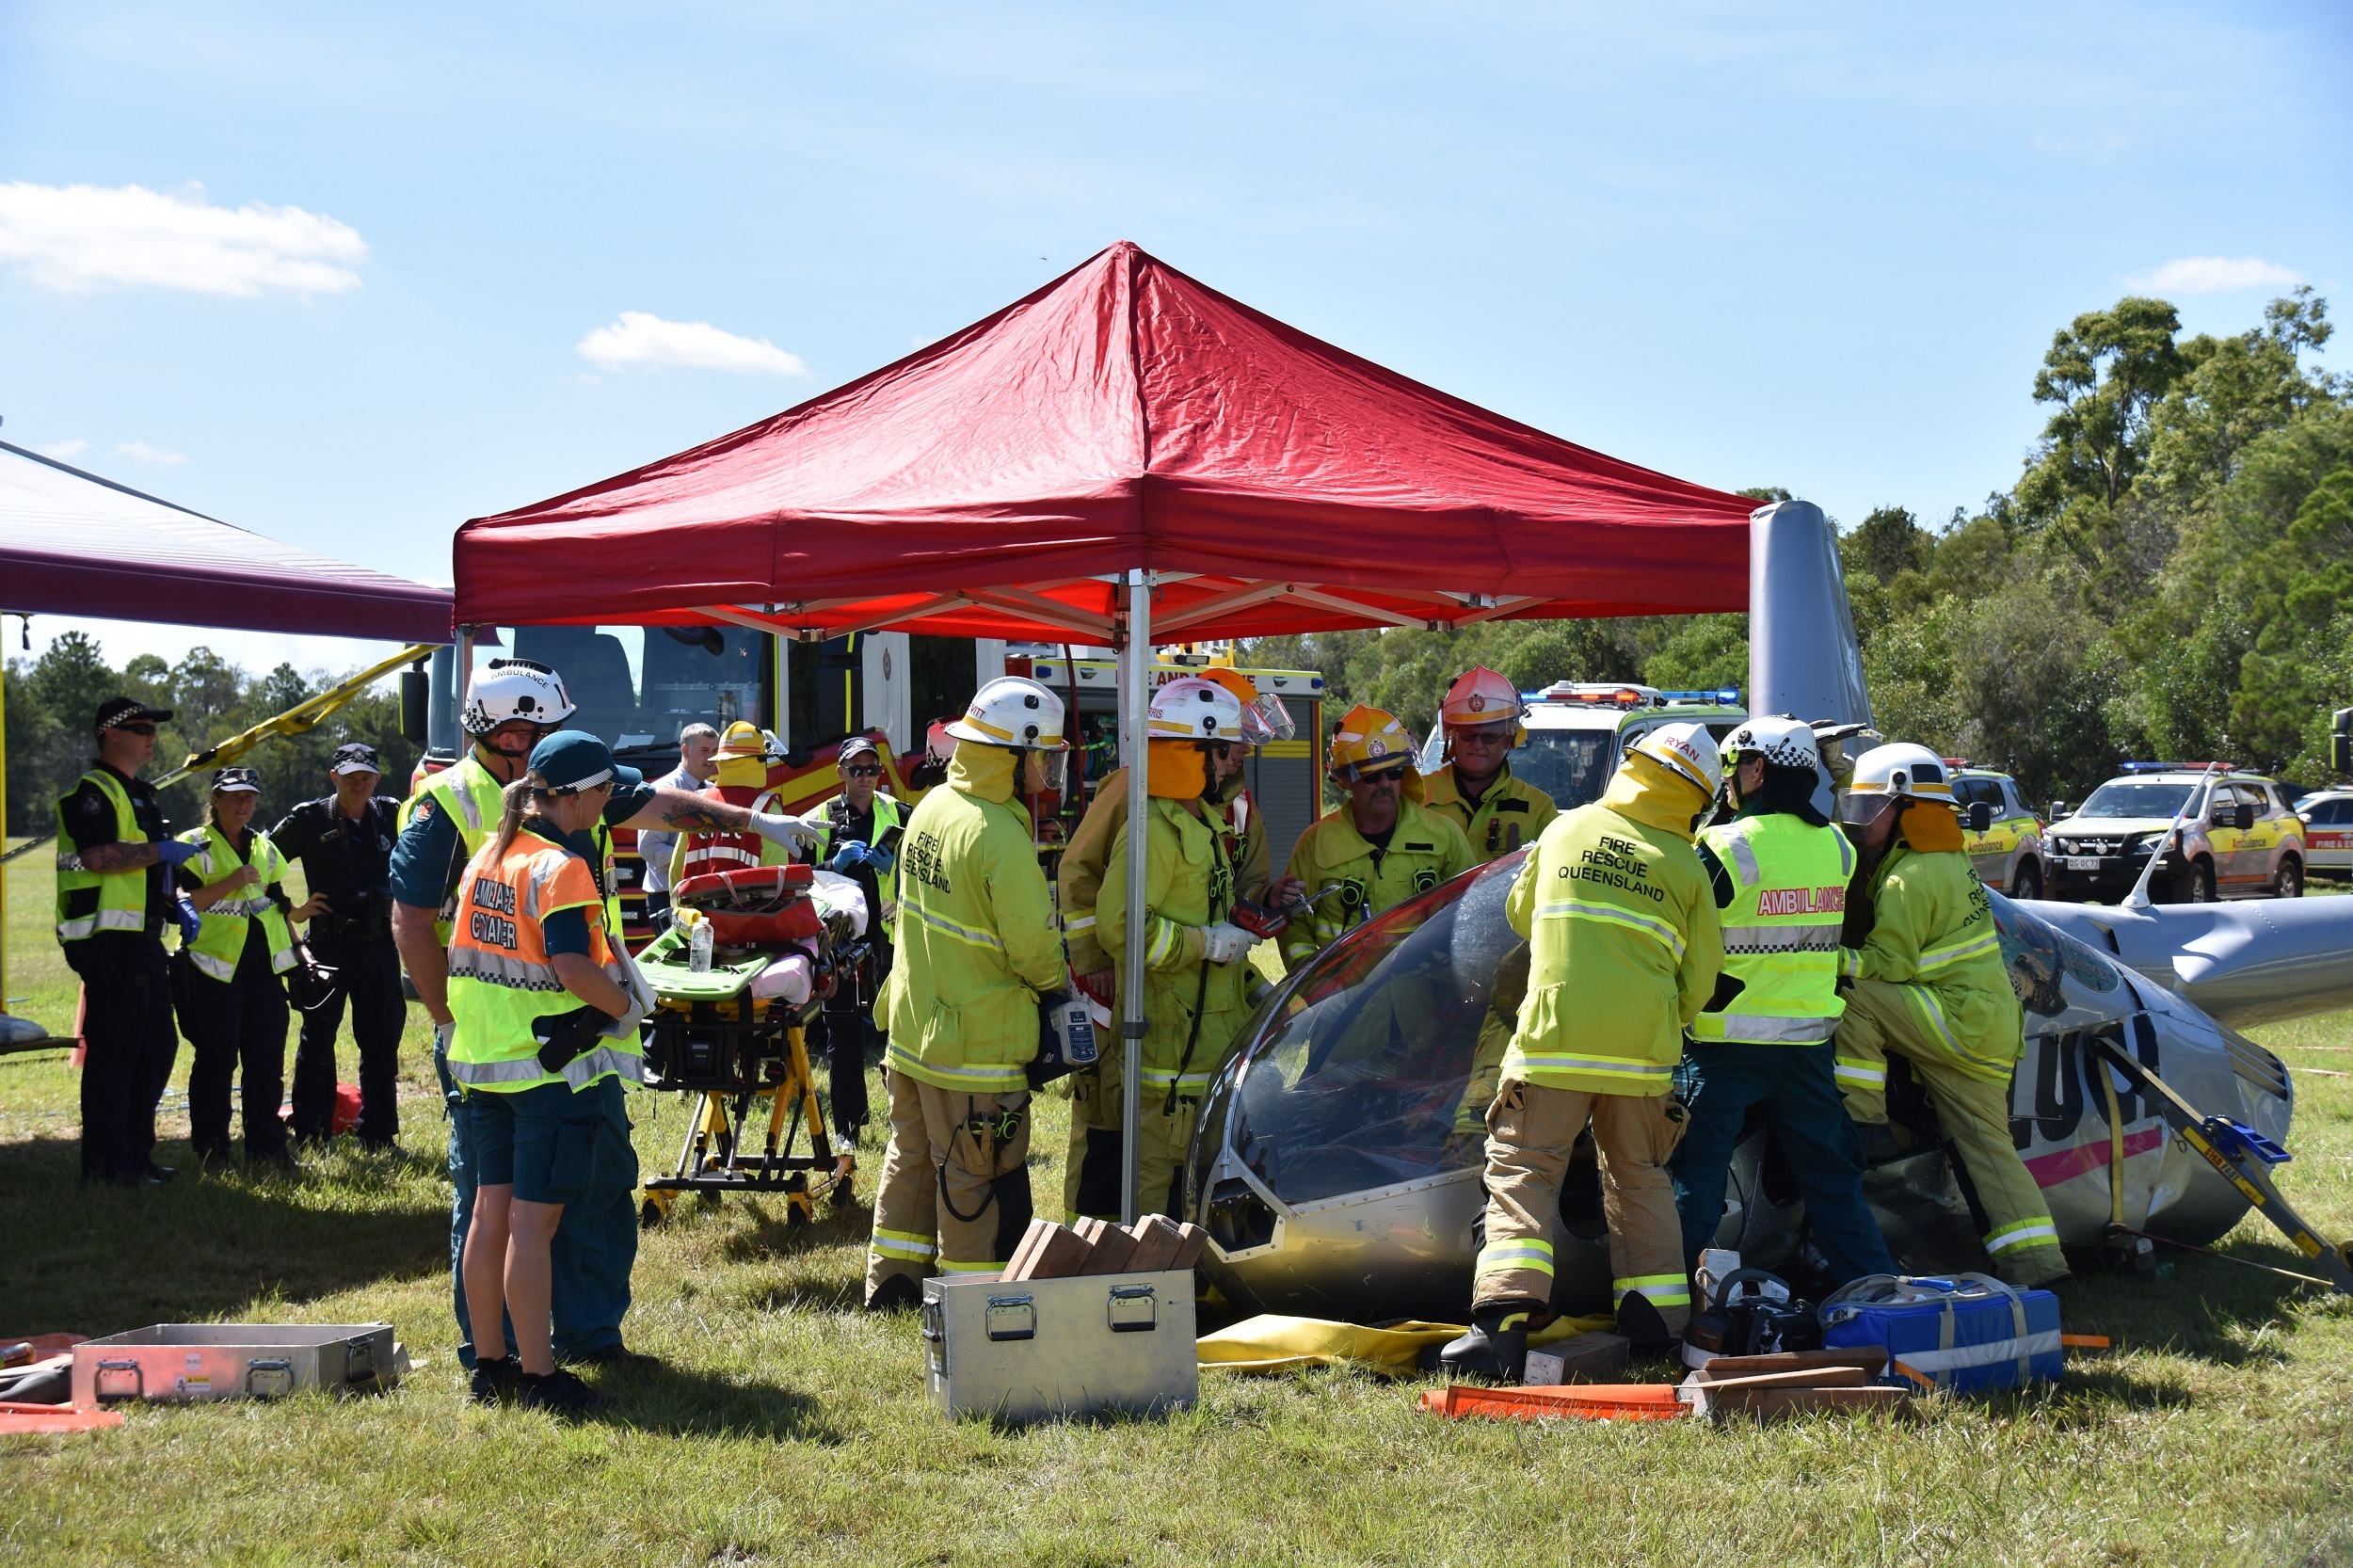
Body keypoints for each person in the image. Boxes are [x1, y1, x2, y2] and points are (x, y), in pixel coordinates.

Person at [391, 659, 820, 1368]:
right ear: (501, 735)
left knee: (590, 1184)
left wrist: (756, 823)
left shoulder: (562, 786)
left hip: (575, 1036)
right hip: (503, 1041)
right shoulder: (450, 804)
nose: (552, 741)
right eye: (540, 730)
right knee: (495, 1206)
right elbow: (410, 924)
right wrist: (445, 1024)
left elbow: (657, 805)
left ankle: (583, 1338)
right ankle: (497, 1349)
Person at [1441, 724, 1725, 1381]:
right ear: (1697, 798)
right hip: (1643, 1056)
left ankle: (1501, 1328)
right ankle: (1657, 1327)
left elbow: (1517, 913)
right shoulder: (1685, 863)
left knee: (1525, 1168)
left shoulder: (1567, 829)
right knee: (1640, 1177)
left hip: (1555, 1042)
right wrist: (1660, 1021)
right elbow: (1702, 979)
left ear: (1632, 766)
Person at [446, 730, 655, 1415]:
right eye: (604, 790)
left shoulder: (490, 855)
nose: (608, 802)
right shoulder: (560, 867)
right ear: (573, 796)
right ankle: (539, 1377)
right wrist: (628, 1007)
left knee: (489, 1217)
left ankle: (490, 1367)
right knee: (533, 1228)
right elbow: (570, 965)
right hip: (545, 1073)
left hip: (483, 1067)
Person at [1057, 667, 1299, 1222]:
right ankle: (1096, 1244)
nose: (1241, 754)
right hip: (1130, 995)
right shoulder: (1143, 804)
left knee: (1176, 1150)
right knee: (1114, 1132)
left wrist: (1261, 909)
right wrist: (1098, 965)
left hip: (1190, 1010)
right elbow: (1088, 882)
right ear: (1200, 746)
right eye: (1231, 743)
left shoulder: (1218, 809)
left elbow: (1226, 893)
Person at [863, 677, 1069, 1310]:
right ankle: (970, 1303)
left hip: (913, 1030)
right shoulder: (1001, 836)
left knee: (912, 1155)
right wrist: (1059, 991)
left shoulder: (932, 808)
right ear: (1012, 754)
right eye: (1045, 755)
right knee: (975, 1173)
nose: (1049, 769)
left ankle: (892, 1282)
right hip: (975, 1045)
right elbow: (1034, 946)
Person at [1668, 717, 1896, 1287]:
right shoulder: (1837, 847)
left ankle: (1659, 1302)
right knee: (1832, 1179)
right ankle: (1875, 1291)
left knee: (1698, 1175)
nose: (1727, 782)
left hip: (1724, 1047)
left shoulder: (1721, 846)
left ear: (1758, 770)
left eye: (1733, 769)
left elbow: (1681, 933)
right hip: (1806, 1046)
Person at [1832, 743, 2068, 1289]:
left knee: (1852, 993)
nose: (1858, 822)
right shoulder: (1948, 860)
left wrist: (1826, 957)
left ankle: (1866, 1127)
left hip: (1957, 1021)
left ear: (1906, 810)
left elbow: (1887, 966)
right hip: (1987, 1025)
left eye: (1870, 809)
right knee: (1989, 1152)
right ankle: (2041, 1271)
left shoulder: (1905, 880)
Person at [53, 696, 194, 1187]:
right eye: (139, 727)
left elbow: (147, 866)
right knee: (117, 1055)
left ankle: (136, 1156)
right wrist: (161, 850)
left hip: (142, 939)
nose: (150, 734)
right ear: (110, 734)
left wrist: (176, 899)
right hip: (106, 941)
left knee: (156, 1047)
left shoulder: (140, 794)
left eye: (152, 727)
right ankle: (108, 1166)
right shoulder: (91, 793)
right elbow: (97, 857)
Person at [170, 767, 324, 1171]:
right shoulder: (193, 845)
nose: (243, 805)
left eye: (250, 797)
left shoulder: (265, 848)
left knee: (266, 1065)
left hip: (264, 972)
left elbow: (276, 903)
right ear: (215, 800)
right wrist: (231, 881)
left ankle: (268, 1149)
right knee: (216, 1064)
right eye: (235, 797)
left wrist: (300, 953)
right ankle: (212, 1152)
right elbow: (179, 907)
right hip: (214, 971)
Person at [272, 743, 405, 1149]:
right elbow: (259, 860)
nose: (358, 784)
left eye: (366, 776)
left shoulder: (392, 813)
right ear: (334, 778)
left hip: (380, 944)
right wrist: (291, 909)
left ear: (376, 779)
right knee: (317, 1040)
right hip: (328, 946)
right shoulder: (309, 818)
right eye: (350, 777)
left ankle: (378, 1135)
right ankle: (311, 1133)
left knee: (381, 1042)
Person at [1276, 704, 1474, 971]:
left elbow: (1473, 913)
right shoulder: (1315, 844)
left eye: (1394, 773)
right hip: (1344, 1004)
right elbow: (1293, 923)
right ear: (1346, 780)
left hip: (1426, 999)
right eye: (1370, 775)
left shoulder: (1444, 835)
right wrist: (1316, 983)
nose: (1385, 784)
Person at [812, 733, 907, 1146]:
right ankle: (846, 1128)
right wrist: (834, 863)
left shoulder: (901, 813)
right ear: (841, 774)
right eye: (857, 770)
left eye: (872, 770)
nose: (866, 777)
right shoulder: (821, 818)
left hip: (891, 939)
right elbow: (804, 881)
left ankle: (904, 1123)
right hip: (843, 942)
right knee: (843, 1035)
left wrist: (891, 869)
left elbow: (924, 880)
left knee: (900, 1034)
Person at [1420, 665, 1559, 863]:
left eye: (1490, 737)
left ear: (1508, 739)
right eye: (1468, 735)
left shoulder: (1539, 809)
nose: (1477, 745)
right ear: (1453, 736)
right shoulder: (1418, 798)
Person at [664, 721, 792, 887]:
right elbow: (777, 871)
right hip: (750, 910)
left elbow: (676, 871)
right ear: (757, 762)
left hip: (698, 910)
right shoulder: (766, 807)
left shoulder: (697, 802)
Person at [633, 723, 719, 928]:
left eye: (715, 751)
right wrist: (697, 858)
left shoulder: (713, 791)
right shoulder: (662, 792)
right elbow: (649, 849)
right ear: (685, 750)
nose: (711, 758)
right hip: (668, 898)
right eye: (704, 751)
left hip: (703, 896)